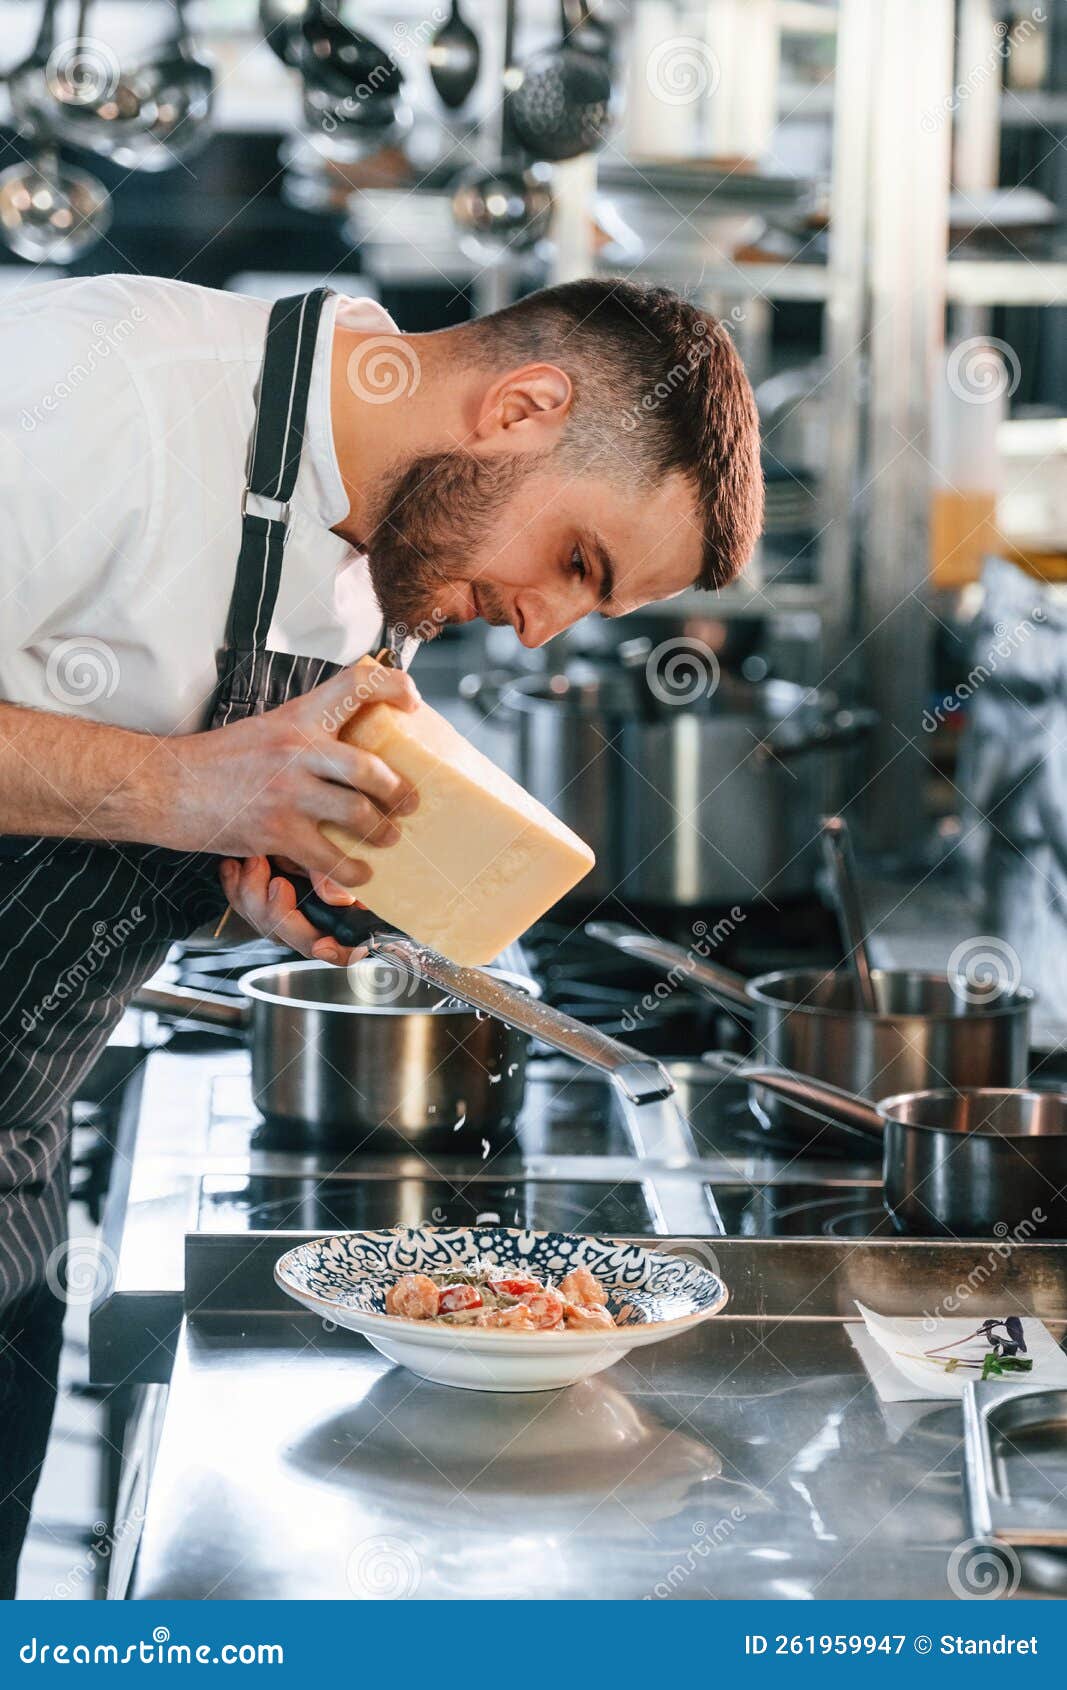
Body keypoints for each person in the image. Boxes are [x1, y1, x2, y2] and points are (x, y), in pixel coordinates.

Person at [0, 272, 763, 1590]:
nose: (542, 623)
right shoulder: (107, 384)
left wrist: (243, 859)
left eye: (598, 604)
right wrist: (181, 788)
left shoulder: (380, 576)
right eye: (578, 560)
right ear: (522, 407)